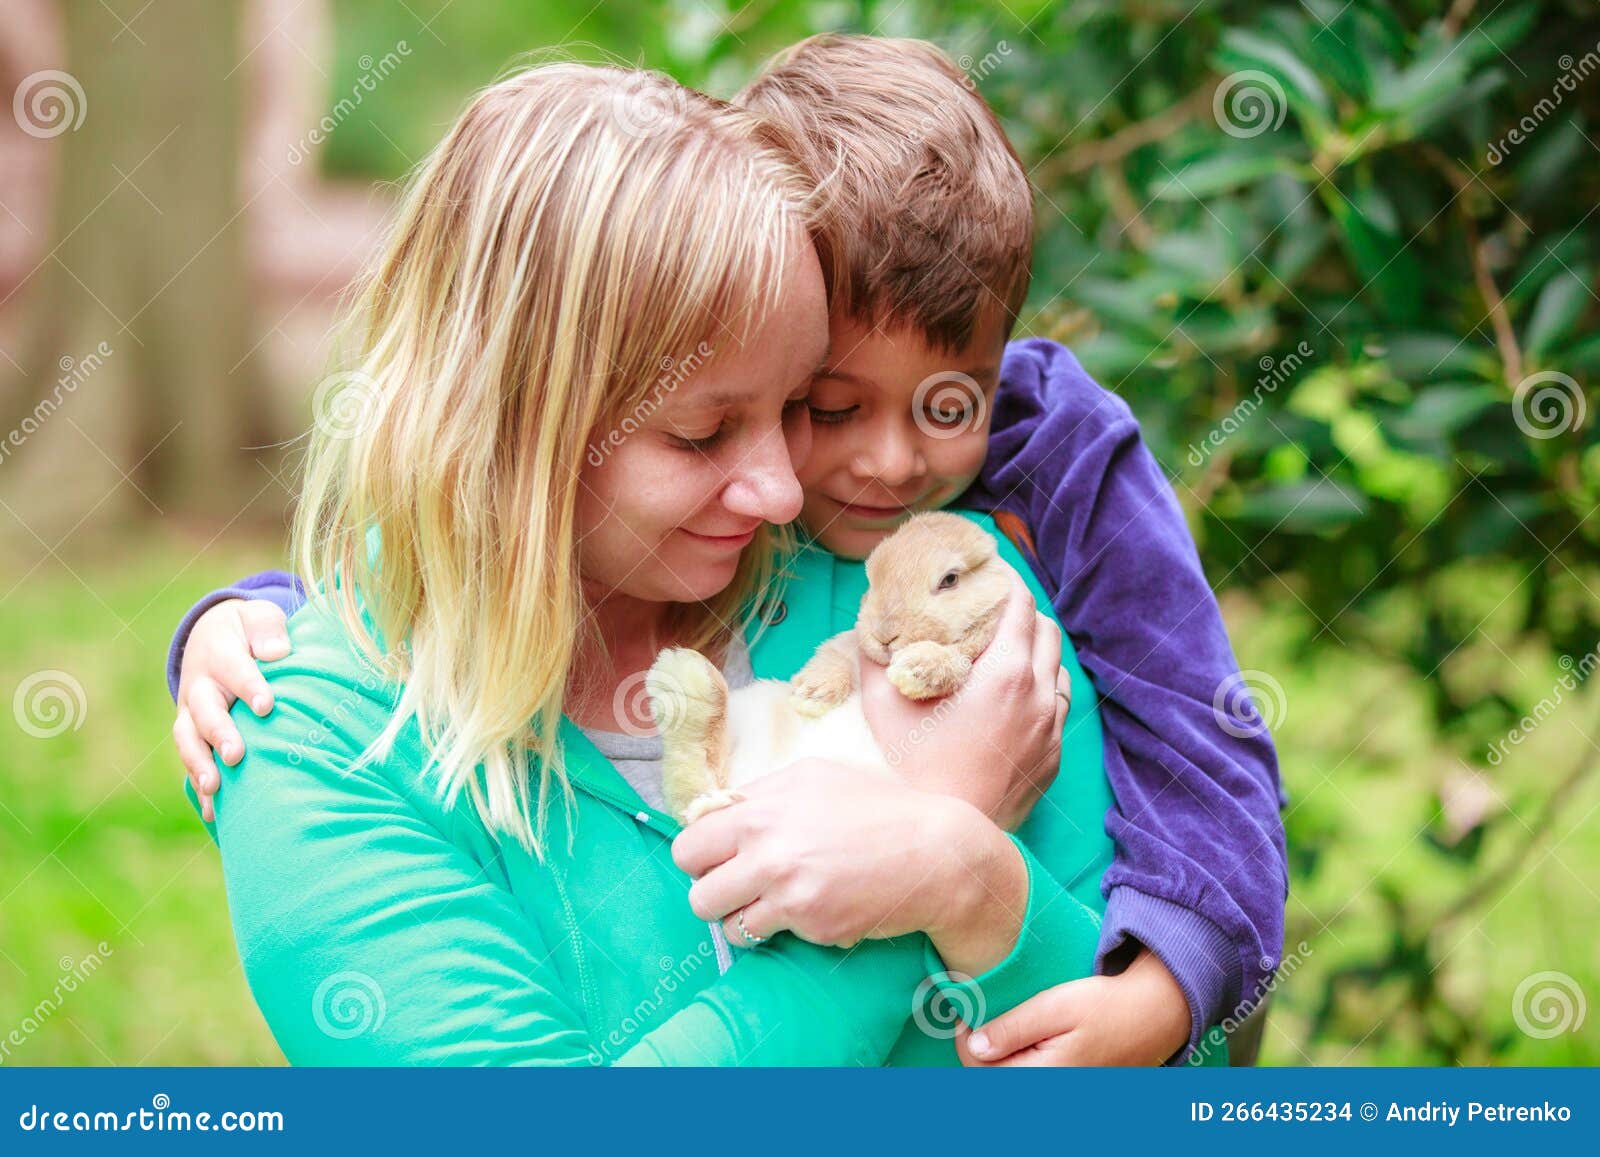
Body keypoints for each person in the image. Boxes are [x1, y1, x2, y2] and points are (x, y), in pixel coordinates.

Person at [166, 59, 1122, 1066]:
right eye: (704, 434)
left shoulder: (912, 592)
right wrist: (938, 854)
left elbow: (1164, 1064)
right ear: (510, 429)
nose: (784, 492)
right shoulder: (316, 747)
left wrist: (971, 876)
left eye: (799, 404)